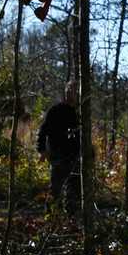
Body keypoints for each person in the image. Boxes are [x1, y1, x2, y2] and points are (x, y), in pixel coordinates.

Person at [36, 81, 81, 217]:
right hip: (58, 155)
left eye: (73, 91)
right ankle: (49, 217)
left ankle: (71, 219)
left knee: (74, 190)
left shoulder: (80, 113)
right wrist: (42, 150)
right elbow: (43, 131)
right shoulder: (55, 111)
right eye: (68, 91)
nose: (70, 94)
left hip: (76, 156)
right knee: (56, 188)